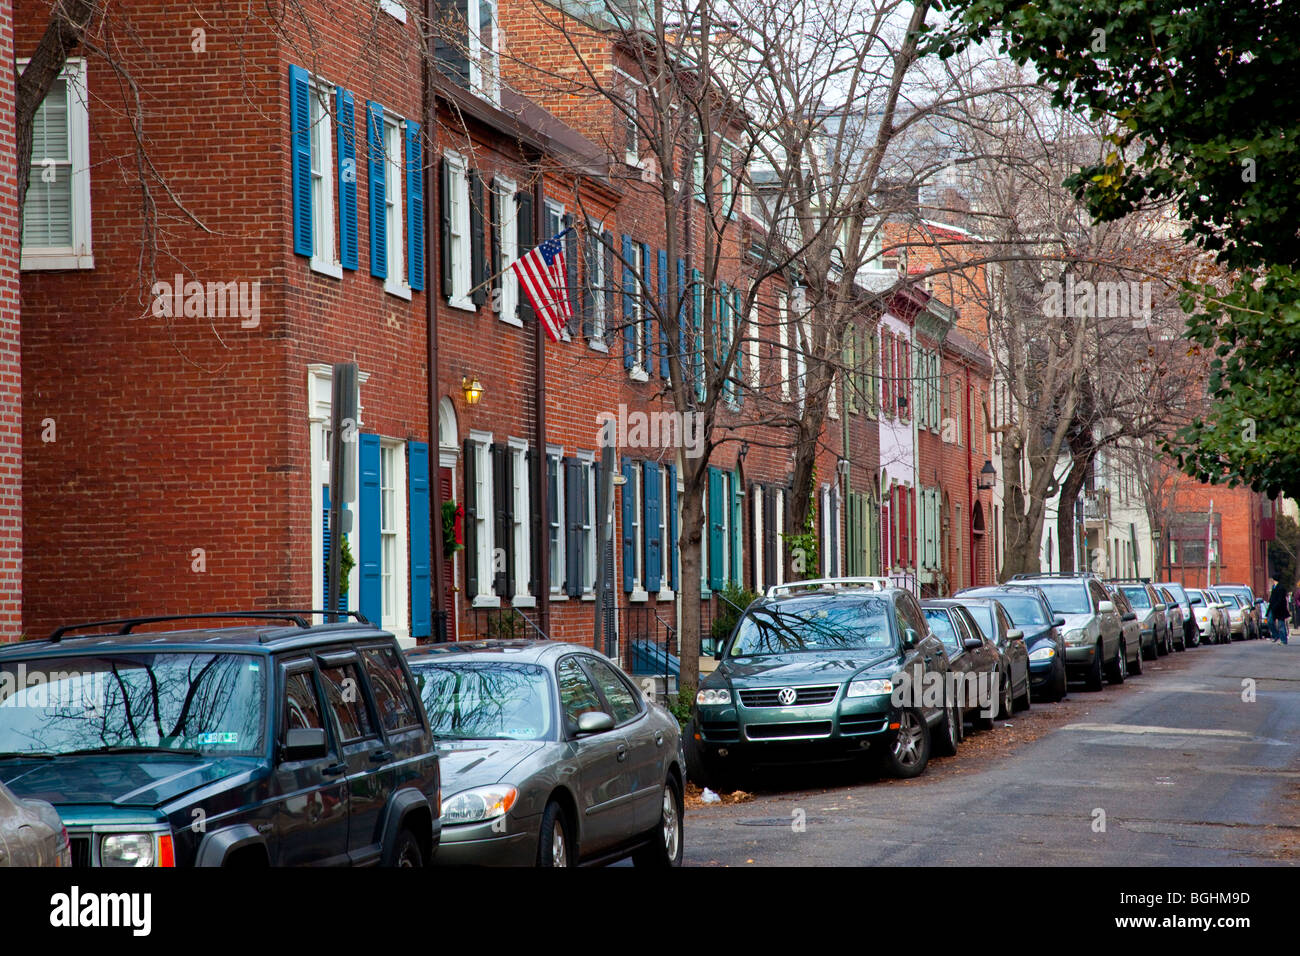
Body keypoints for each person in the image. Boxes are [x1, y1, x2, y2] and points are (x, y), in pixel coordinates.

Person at [1267, 575, 1290, 644]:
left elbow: (1281, 599)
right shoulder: (1274, 587)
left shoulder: (1281, 588)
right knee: (1270, 621)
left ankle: (1283, 640)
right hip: (1272, 608)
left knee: (1281, 625)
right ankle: (1276, 635)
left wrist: (1275, 606)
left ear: (1274, 580)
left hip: (1280, 609)